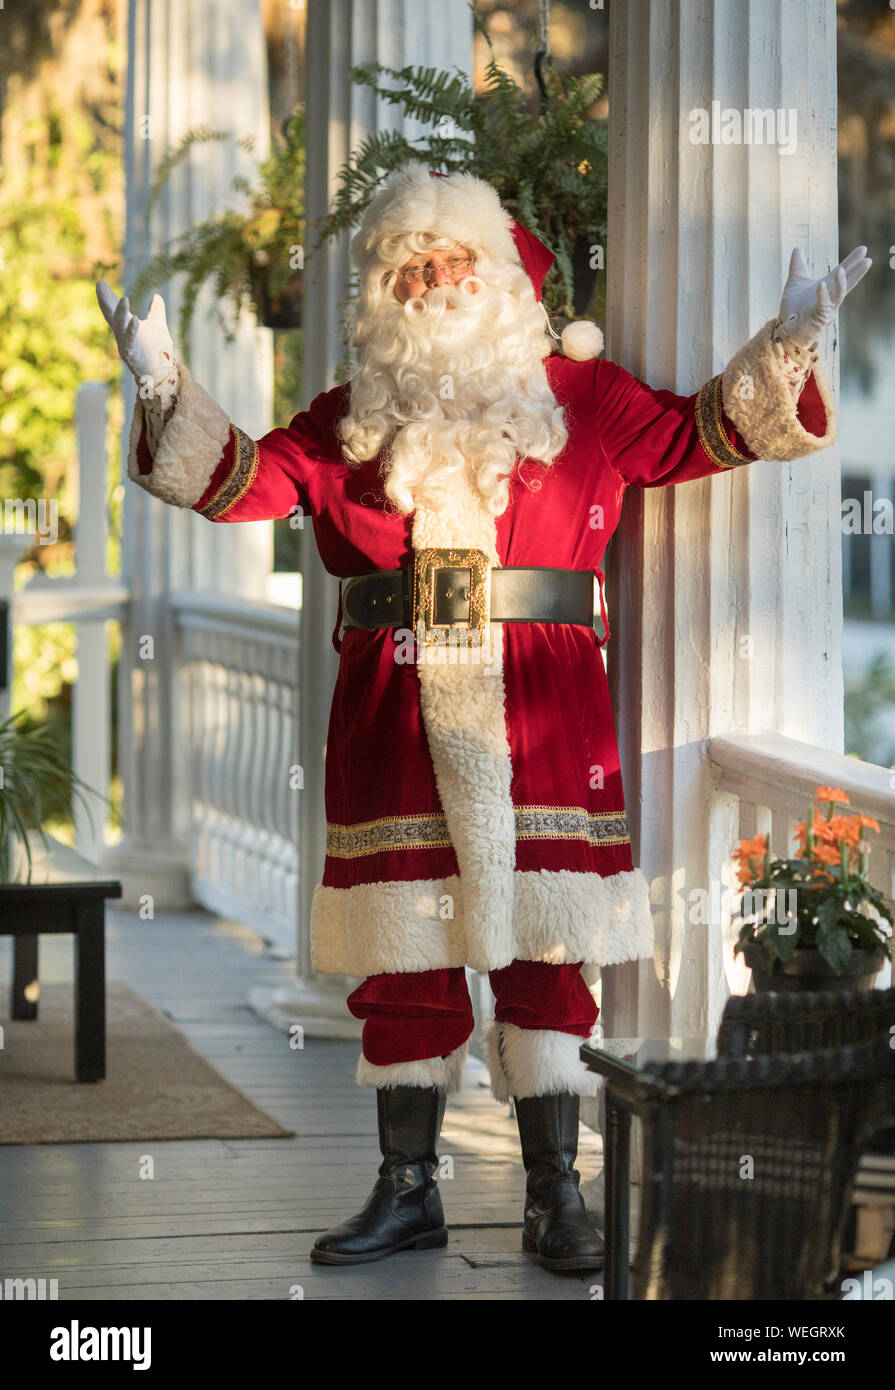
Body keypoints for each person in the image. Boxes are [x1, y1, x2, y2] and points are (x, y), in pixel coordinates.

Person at [97, 163, 870, 1273]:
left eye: (456, 259)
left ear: (504, 274)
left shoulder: (582, 398)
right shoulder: (351, 418)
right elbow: (245, 482)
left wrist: (788, 342)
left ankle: (557, 1193)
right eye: (412, 265)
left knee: (545, 948)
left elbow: (702, 434)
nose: (436, 279)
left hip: (541, 715)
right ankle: (408, 1189)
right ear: (386, 294)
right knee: (399, 950)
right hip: (391, 714)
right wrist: (165, 378)